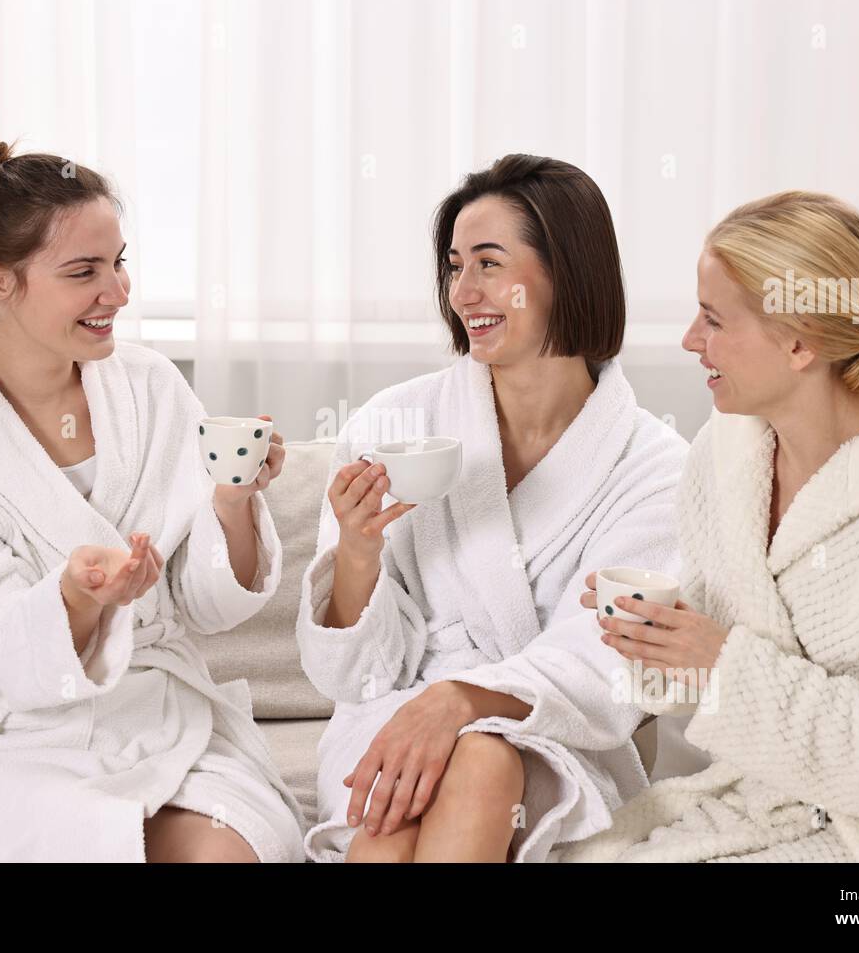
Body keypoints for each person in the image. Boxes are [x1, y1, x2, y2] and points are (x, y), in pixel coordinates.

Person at [0, 115, 305, 863]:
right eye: (84, 272)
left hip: (163, 710)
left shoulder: (151, 388)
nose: (119, 291)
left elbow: (208, 605)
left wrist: (231, 502)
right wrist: (78, 598)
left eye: (120, 262)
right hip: (16, 727)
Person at [570, 190, 859, 862]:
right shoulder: (724, 459)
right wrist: (665, 642)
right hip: (775, 800)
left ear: (800, 342)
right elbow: (732, 669)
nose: (692, 341)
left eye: (713, 319)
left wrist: (723, 662)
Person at [296, 154, 695, 862]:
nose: (463, 292)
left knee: (481, 759)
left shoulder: (655, 466)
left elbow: (609, 666)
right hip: (394, 717)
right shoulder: (392, 424)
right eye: (454, 267)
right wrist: (356, 553)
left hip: (556, 733)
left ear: (566, 271)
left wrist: (463, 699)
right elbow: (353, 677)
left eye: (487, 263)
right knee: (396, 829)